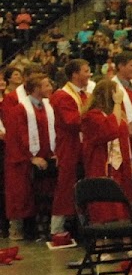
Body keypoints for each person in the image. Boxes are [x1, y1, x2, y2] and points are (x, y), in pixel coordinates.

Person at [4, 73, 56, 239]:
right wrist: (31, 157)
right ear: (36, 89)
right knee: (22, 194)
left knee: (44, 192)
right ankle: (18, 229)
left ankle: (41, 227)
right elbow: (17, 136)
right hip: (23, 160)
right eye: (46, 85)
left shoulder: (47, 106)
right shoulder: (20, 109)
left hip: (45, 157)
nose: (51, 88)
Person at [79, 80, 132, 224]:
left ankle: (125, 240)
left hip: (119, 165)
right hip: (101, 164)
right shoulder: (91, 116)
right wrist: (116, 104)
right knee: (103, 206)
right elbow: (110, 130)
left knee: (122, 205)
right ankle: (102, 240)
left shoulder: (117, 113)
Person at [48, 59, 91, 240]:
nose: (89, 74)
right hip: (69, 146)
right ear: (75, 74)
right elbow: (72, 121)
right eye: (86, 71)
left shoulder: (83, 94)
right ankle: (56, 229)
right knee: (66, 186)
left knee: (85, 184)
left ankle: (83, 225)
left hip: (83, 146)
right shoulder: (62, 96)